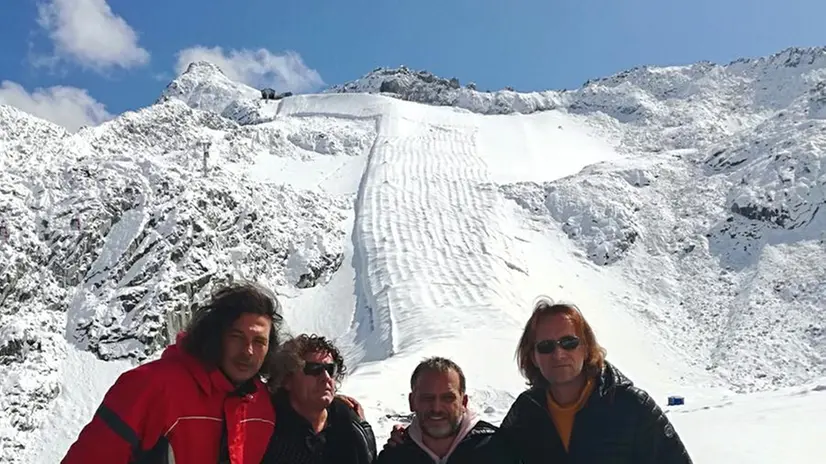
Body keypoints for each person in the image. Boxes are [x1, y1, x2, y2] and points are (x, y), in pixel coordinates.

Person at [62, 282, 282, 464]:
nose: (248, 351)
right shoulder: (149, 386)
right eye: (237, 336)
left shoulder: (263, 407)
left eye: (259, 341)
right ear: (215, 336)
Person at [498, 297, 693, 463]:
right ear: (533, 357)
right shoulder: (524, 413)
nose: (558, 354)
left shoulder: (632, 406)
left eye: (569, 343)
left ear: (586, 348)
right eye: (546, 346)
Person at [376, 356, 522, 464]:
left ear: (463, 402)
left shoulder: (496, 449)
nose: (436, 408)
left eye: (447, 398)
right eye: (427, 398)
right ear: (412, 402)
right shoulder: (395, 457)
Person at [263, 334, 377, 464]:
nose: (326, 377)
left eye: (330, 369)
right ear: (287, 379)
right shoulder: (266, 429)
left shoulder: (352, 427)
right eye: (314, 369)